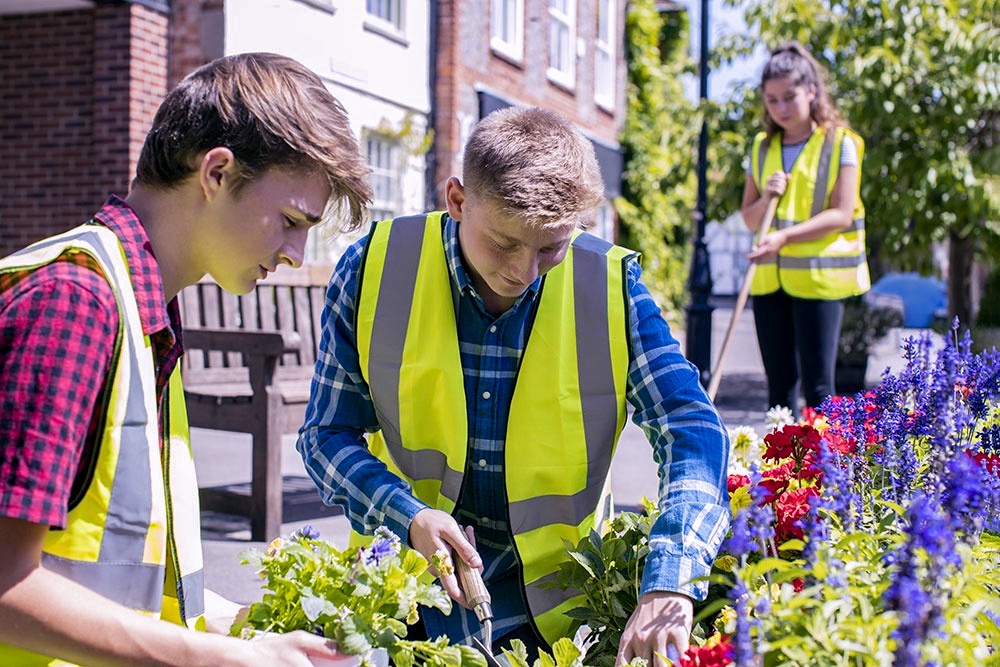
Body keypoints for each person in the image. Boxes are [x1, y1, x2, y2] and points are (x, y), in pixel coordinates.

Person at [297, 105, 730, 666]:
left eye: (551, 248)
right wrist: (406, 516)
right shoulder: (373, 266)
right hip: (405, 593)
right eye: (503, 243)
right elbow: (325, 434)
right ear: (457, 200)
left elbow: (692, 427)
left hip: (565, 612)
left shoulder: (611, 288)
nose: (524, 271)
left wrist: (670, 580)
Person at [0, 52, 372, 666]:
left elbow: (130, 584)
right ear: (218, 173)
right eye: (289, 220)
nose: (293, 251)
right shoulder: (76, 301)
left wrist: (257, 635)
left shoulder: (144, 310)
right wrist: (225, 660)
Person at [740, 41, 870, 416]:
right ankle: (783, 474)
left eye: (788, 97)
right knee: (779, 391)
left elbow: (841, 214)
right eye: (771, 100)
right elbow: (749, 218)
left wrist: (782, 238)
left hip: (819, 280)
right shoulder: (761, 147)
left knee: (819, 389)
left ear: (812, 91)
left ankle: (827, 472)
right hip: (767, 280)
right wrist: (766, 199)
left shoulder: (842, 143)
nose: (780, 108)